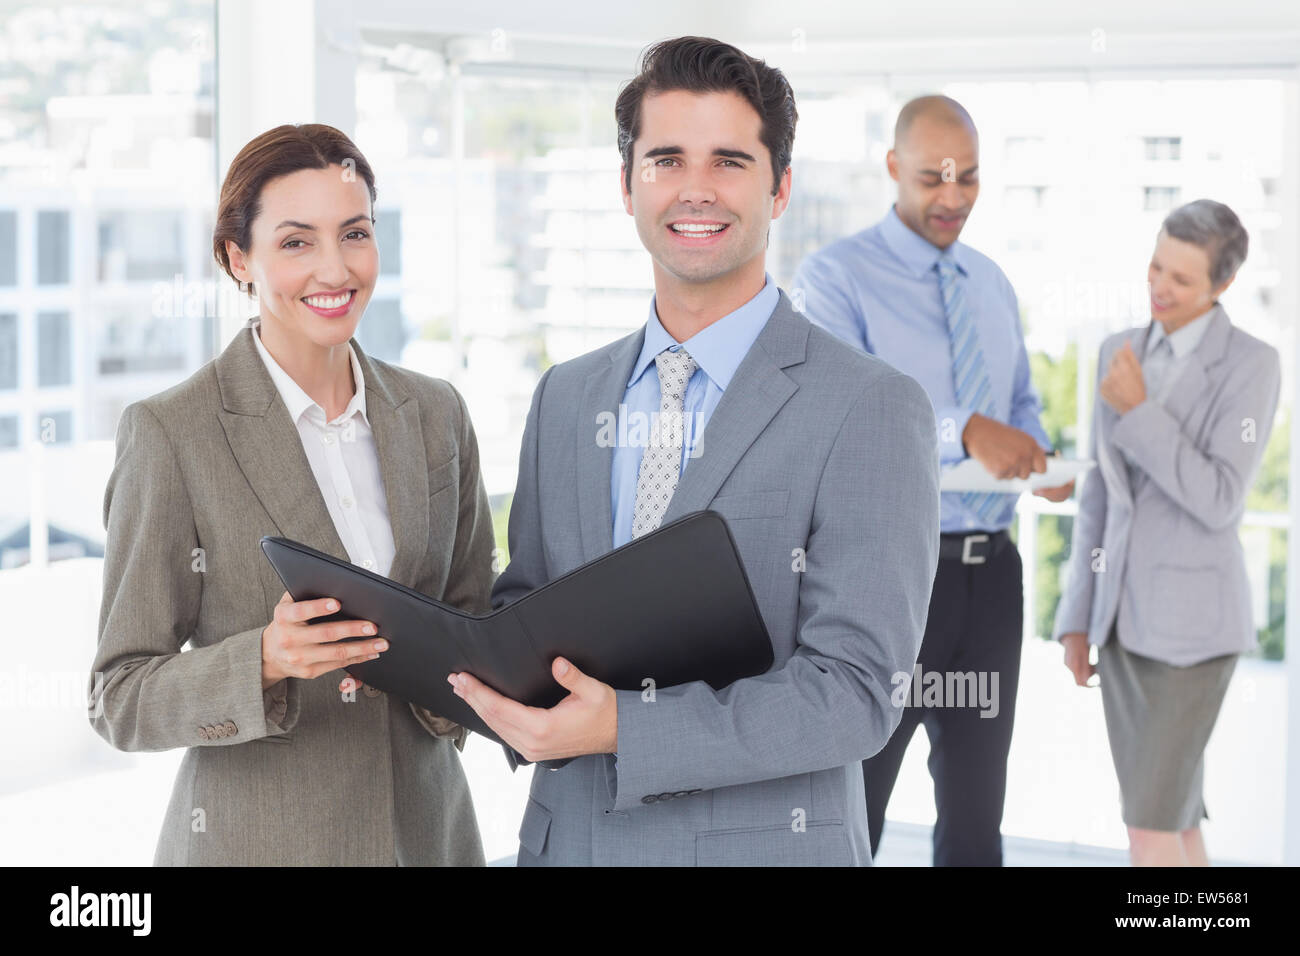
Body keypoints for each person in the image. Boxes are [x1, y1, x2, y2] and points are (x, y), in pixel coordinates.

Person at [447, 36, 939, 866]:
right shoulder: (564, 397)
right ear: (627, 184)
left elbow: (857, 693)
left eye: (730, 161)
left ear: (780, 188)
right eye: (666, 159)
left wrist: (624, 728)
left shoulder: (869, 407)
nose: (695, 189)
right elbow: (527, 609)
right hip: (571, 845)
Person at [89, 124, 493, 865]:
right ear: (237, 259)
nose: (335, 269)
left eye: (356, 234)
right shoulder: (171, 434)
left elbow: (474, 621)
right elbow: (121, 696)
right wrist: (265, 659)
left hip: (429, 839)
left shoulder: (437, 414)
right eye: (297, 242)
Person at [792, 95, 1074, 866]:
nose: (953, 198)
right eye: (932, 179)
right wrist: (963, 430)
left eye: (970, 179)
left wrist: (1040, 457)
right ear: (892, 169)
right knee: (855, 809)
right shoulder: (835, 277)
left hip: (992, 576)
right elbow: (843, 418)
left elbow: (1019, 402)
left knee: (978, 818)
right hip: (890, 579)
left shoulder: (991, 281)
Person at [1054, 199, 1280, 867]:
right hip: (1121, 626)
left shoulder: (1252, 365)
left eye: (1181, 280)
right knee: (1172, 823)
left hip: (1193, 638)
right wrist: (1077, 617)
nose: (1159, 287)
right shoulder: (1114, 351)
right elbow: (1097, 496)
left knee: (1147, 828)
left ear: (1222, 286)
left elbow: (1219, 498)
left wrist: (1142, 412)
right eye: (1156, 267)